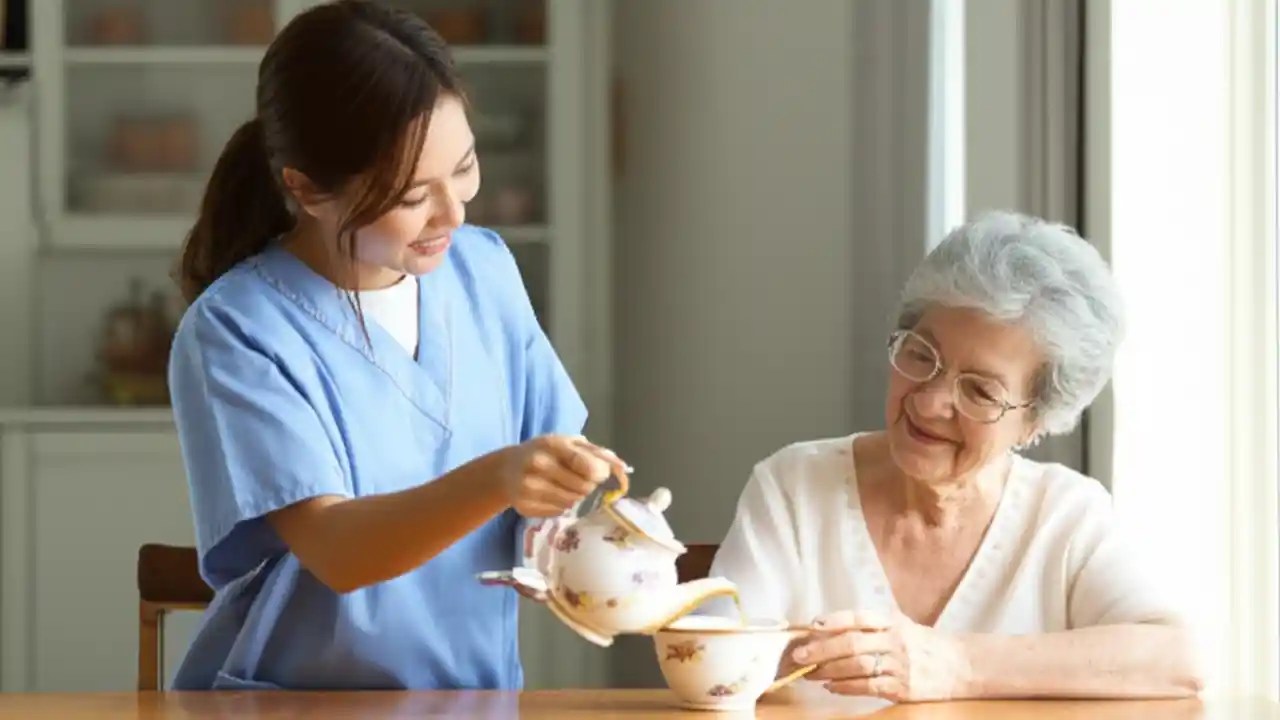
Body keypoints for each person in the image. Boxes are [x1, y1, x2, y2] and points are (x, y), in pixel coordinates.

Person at [166, 0, 625, 690]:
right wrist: (501, 476)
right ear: (309, 191)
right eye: (413, 194)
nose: (454, 212)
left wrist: (563, 502)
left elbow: (541, 485)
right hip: (296, 706)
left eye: (464, 168)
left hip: (474, 695)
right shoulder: (239, 329)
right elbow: (339, 552)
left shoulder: (485, 270)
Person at [708, 211, 1203, 702]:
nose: (928, 402)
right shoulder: (794, 487)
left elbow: (1177, 660)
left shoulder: (1065, 516)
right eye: (921, 355)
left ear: (1036, 421)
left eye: (980, 392)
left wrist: (958, 666)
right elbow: (710, 660)